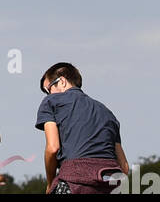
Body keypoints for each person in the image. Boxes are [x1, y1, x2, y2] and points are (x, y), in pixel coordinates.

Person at [36, 62, 128, 194]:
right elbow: (124, 166)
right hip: (111, 185)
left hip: (74, 181)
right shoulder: (107, 113)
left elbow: (52, 148)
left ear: (62, 81)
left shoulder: (51, 102)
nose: (48, 95)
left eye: (48, 89)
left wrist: (50, 183)